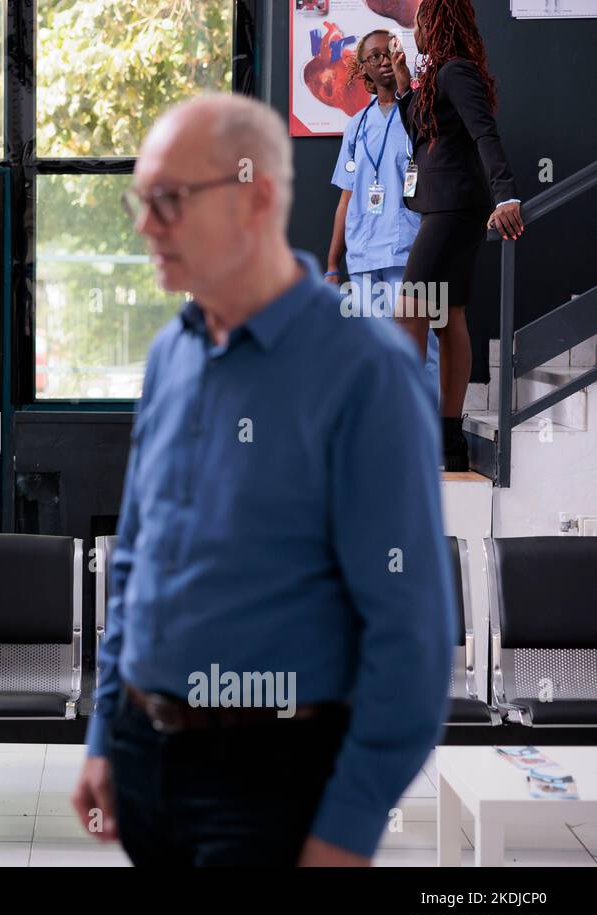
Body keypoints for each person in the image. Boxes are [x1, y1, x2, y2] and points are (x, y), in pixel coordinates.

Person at [71, 94, 453, 866]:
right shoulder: (169, 354)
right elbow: (137, 561)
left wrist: (345, 830)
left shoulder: (366, 370)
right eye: (140, 200)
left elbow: (413, 637)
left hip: (273, 782)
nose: (145, 224)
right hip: (147, 761)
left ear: (258, 197)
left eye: (169, 200)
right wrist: (107, 732)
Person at [390, 0, 523, 470]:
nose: (416, 28)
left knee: (409, 311)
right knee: (449, 319)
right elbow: (422, 133)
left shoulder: (457, 72)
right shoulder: (440, 75)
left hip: (453, 211)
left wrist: (507, 195)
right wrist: (406, 86)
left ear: (439, 22)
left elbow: (485, 134)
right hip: (443, 209)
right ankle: (449, 444)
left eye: (422, 20)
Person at [326, 28, 440, 398]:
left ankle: (428, 433)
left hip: (409, 248)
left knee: (419, 346)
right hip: (363, 255)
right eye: (373, 56)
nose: (383, 60)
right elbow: (345, 199)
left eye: (389, 51)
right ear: (363, 71)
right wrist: (331, 265)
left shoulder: (421, 115)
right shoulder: (355, 128)